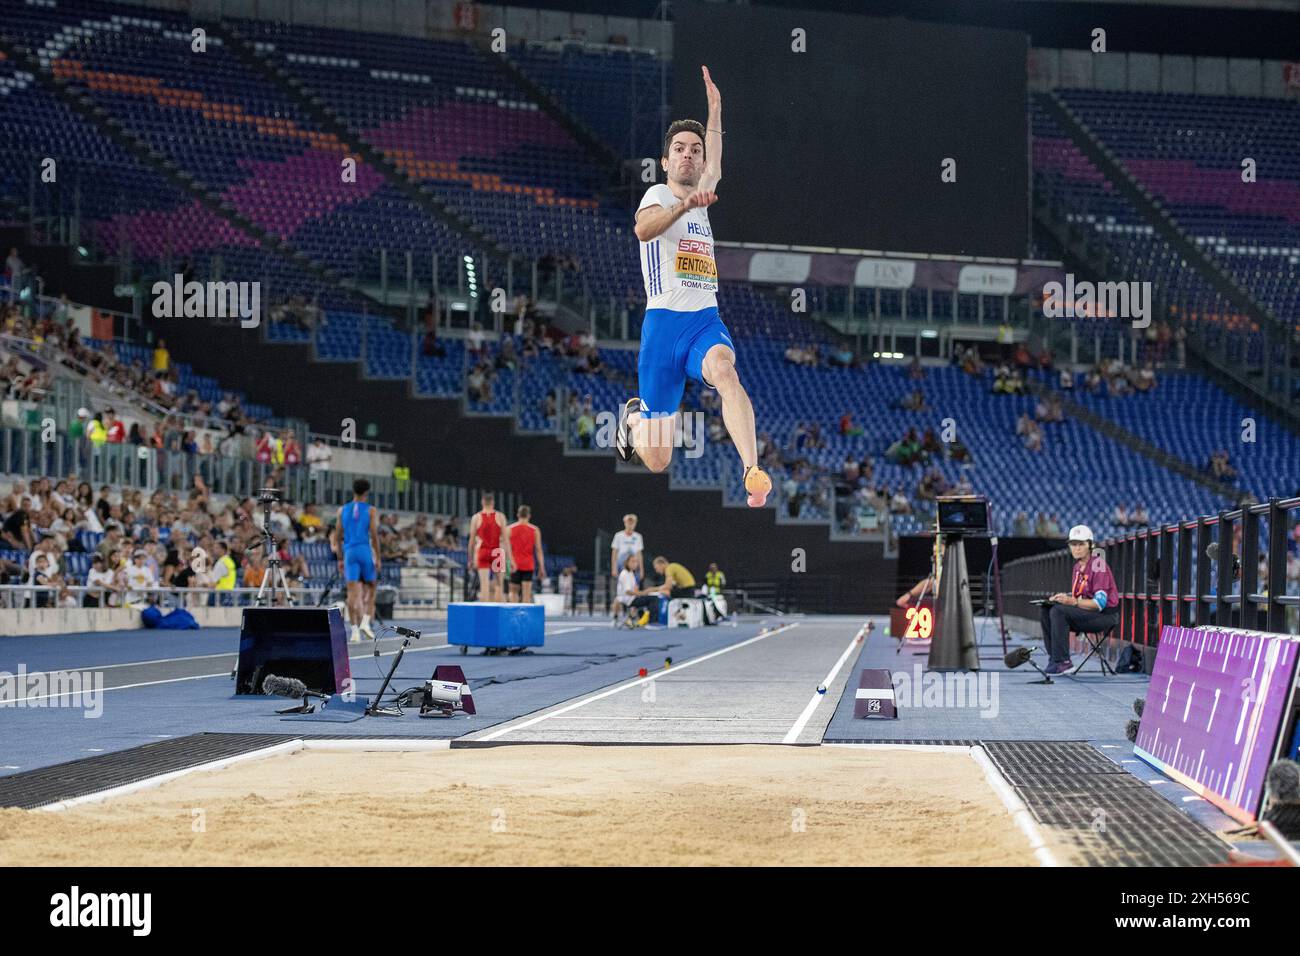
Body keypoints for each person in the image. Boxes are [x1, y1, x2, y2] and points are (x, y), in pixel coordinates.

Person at [616, 66, 771, 509]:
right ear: (665, 162)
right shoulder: (659, 196)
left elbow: (718, 162)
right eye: (679, 149)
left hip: (705, 320)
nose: (688, 155)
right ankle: (632, 420)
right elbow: (644, 232)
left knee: (726, 371)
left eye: (695, 150)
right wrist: (683, 204)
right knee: (659, 460)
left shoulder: (701, 197)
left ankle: (751, 469)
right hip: (663, 328)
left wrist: (716, 112)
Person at [1039, 525, 1120, 675]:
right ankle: (1055, 659)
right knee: (1047, 608)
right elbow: (1082, 594)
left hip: (1105, 616)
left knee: (1058, 612)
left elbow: (1099, 604)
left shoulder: (1098, 565)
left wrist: (1072, 602)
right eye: (1073, 544)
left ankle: (1064, 662)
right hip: (1087, 613)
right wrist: (1063, 598)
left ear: (1090, 545)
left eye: (1081, 544)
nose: (1077, 548)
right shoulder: (1077, 567)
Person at [331, 479, 381, 642]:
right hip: (364, 551)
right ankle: (365, 622)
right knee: (372, 587)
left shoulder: (342, 510)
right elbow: (374, 536)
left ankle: (353, 630)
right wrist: (378, 558)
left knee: (352, 594)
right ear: (366, 493)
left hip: (349, 552)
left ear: (353, 491)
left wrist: (339, 558)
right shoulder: (371, 510)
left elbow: (337, 537)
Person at [468, 492, 507, 603]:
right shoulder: (500, 517)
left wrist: (470, 559)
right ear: (493, 503)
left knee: (484, 587)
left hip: (483, 552)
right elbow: (506, 540)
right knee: (499, 586)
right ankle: (498, 614)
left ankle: (484, 616)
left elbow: (471, 541)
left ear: (482, 502)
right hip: (497, 552)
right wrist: (510, 559)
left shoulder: (476, 517)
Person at [506, 505, 547, 605]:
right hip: (528, 564)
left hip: (514, 564)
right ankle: (524, 618)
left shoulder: (509, 529)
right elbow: (538, 549)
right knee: (526, 593)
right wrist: (542, 567)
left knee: (513, 591)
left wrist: (509, 561)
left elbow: (506, 548)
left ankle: (513, 614)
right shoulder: (535, 530)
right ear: (529, 516)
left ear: (518, 515)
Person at [609, 513, 644, 584]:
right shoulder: (618, 535)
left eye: (632, 522)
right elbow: (614, 553)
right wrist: (614, 568)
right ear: (625, 523)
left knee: (634, 584)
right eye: (628, 522)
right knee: (622, 584)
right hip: (621, 564)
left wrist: (641, 569)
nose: (630, 524)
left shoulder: (638, 536)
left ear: (635, 524)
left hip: (634, 564)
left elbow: (639, 554)